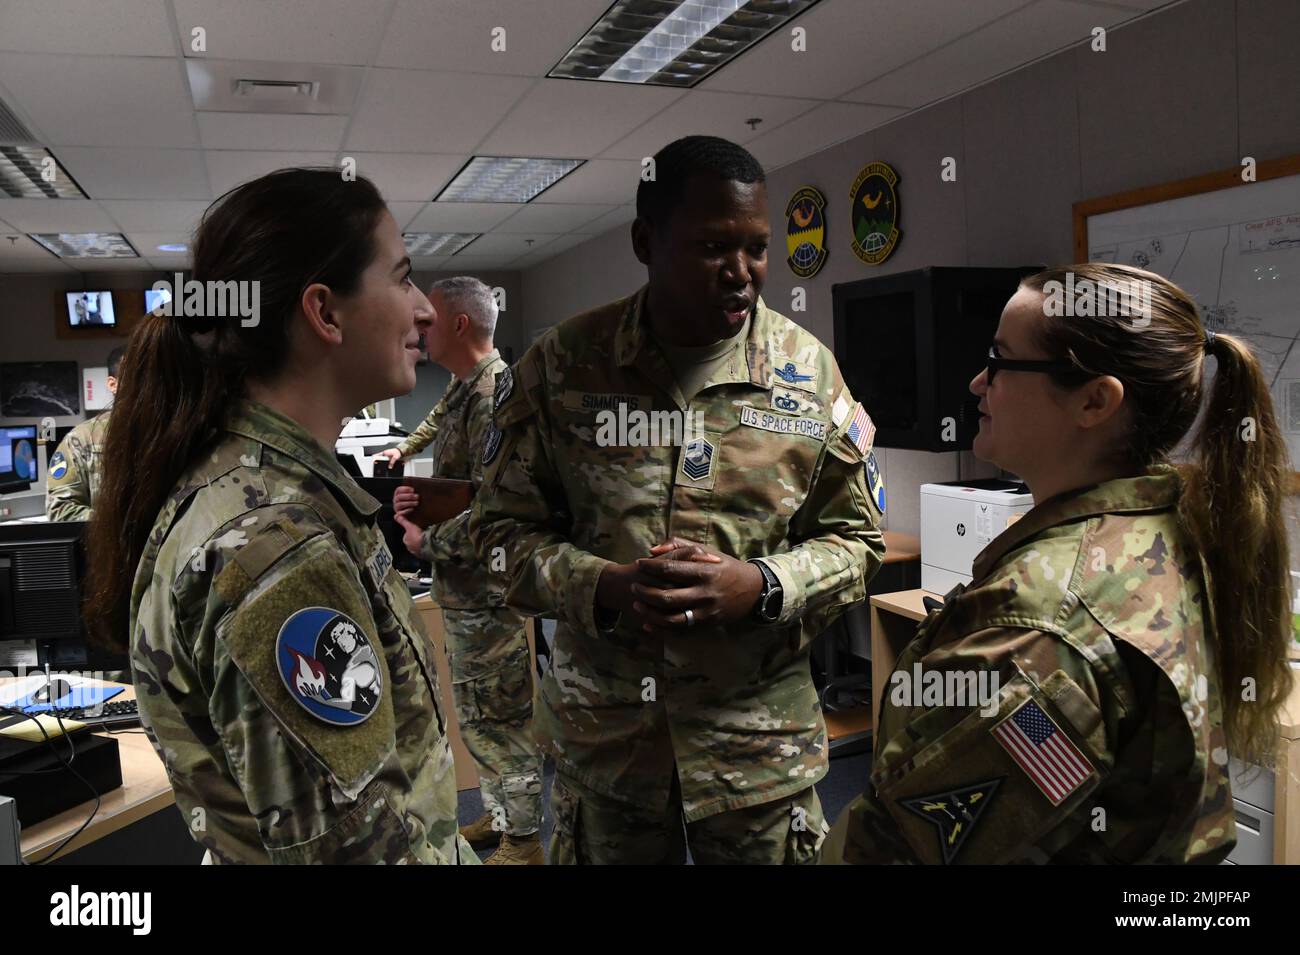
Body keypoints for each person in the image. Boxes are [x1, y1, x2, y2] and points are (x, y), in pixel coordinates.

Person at [471, 136, 885, 864]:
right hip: (609, 752)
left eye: (758, 248)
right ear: (645, 241)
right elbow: (496, 538)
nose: (741, 273)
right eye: (711, 246)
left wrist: (761, 585)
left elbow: (859, 541)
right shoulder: (565, 366)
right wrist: (602, 585)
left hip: (757, 752)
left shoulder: (808, 372)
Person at [825, 263, 1294, 865]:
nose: (975, 384)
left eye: (1000, 361)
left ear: (1095, 400)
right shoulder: (1165, 529)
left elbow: (907, 848)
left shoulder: (1044, 625)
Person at [84, 168, 475, 864]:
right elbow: (353, 855)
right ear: (325, 312)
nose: (425, 310)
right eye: (403, 277)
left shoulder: (266, 496)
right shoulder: (274, 545)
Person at [387, 277, 544, 865]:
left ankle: (525, 842)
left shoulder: (495, 398)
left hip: (487, 593)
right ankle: (505, 821)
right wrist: (417, 500)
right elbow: (461, 485)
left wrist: (428, 540)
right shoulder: (463, 390)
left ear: (459, 324)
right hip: (465, 591)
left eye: (430, 320)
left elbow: (499, 510)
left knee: (502, 721)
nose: (419, 327)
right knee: (479, 717)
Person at [46, 345, 125, 522]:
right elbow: (60, 510)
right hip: (109, 544)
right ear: (113, 384)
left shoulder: (173, 435)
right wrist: (115, 524)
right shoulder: (81, 440)